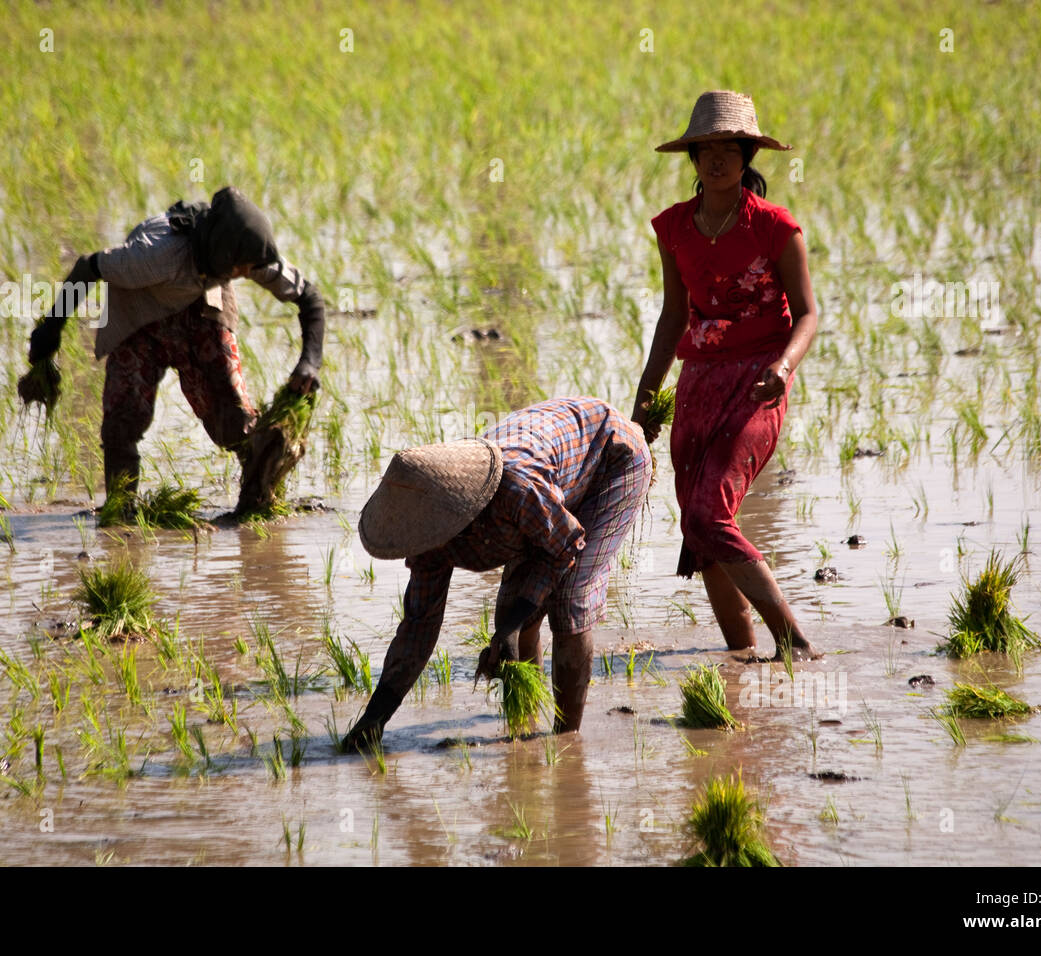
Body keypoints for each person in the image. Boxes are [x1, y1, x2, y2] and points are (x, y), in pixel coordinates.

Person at [341, 397, 651, 751]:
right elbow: (418, 626)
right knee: (511, 614)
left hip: (613, 459)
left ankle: (567, 742)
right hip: (552, 487)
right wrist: (374, 719)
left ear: (461, 512)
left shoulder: (513, 491)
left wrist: (512, 627)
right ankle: (525, 731)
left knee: (569, 597)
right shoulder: (427, 535)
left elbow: (566, 546)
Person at [631, 91, 822, 661]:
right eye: (705, 150)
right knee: (698, 522)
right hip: (698, 385)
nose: (716, 160)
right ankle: (741, 653)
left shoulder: (775, 228)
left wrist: (784, 369)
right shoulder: (673, 229)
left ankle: (795, 642)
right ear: (693, 160)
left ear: (746, 157)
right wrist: (646, 398)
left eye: (728, 149)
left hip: (758, 378)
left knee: (711, 509)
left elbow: (808, 312)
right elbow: (672, 316)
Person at [24, 185, 326, 516]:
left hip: (201, 314)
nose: (245, 275)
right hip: (140, 319)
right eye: (240, 268)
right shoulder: (153, 256)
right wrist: (49, 332)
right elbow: (87, 268)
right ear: (224, 255)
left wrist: (309, 362)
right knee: (122, 419)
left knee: (233, 418)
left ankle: (256, 500)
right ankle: (120, 513)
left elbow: (309, 298)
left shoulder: (245, 254)